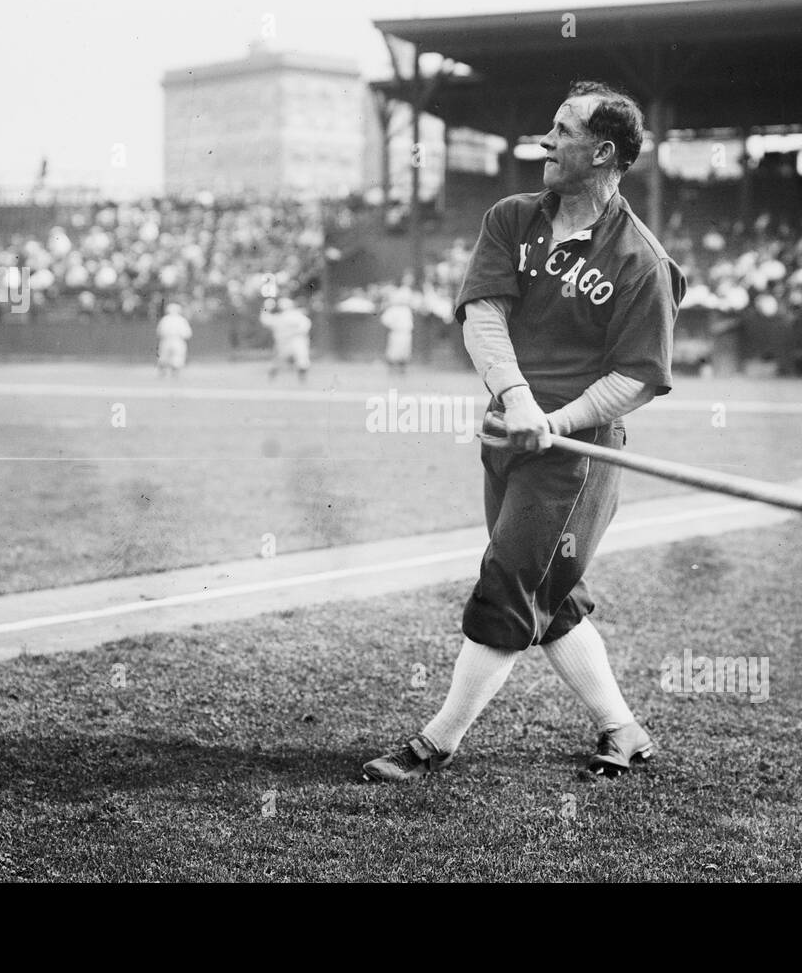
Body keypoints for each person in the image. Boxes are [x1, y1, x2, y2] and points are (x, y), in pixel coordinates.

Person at [363, 80, 685, 782]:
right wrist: (517, 398)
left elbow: (637, 376)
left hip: (575, 455)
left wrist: (556, 418)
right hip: (511, 433)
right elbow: (483, 313)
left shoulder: (641, 260)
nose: (545, 139)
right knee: (549, 593)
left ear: (601, 151)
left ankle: (436, 741)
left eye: (562, 129)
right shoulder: (512, 218)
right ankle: (623, 729)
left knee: (509, 582)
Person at [260, 296, 311, 384]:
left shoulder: (297, 315)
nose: (284, 306)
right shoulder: (278, 317)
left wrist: (295, 332)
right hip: (283, 342)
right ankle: (270, 380)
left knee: (302, 358)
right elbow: (264, 320)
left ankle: (303, 380)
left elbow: (305, 325)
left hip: (296, 340)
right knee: (277, 362)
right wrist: (265, 308)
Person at [380, 290, 415, 376]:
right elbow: (384, 320)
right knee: (393, 351)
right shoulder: (393, 309)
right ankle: (391, 369)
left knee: (405, 352)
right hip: (396, 332)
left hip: (406, 333)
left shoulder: (407, 309)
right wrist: (392, 325)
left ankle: (402, 370)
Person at [155, 302, 193, 378]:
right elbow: (188, 333)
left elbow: (159, 332)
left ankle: (162, 375)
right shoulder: (182, 320)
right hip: (178, 340)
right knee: (177, 358)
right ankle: (174, 375)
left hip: (166, 340)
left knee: (163, 357)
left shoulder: (165, 319)